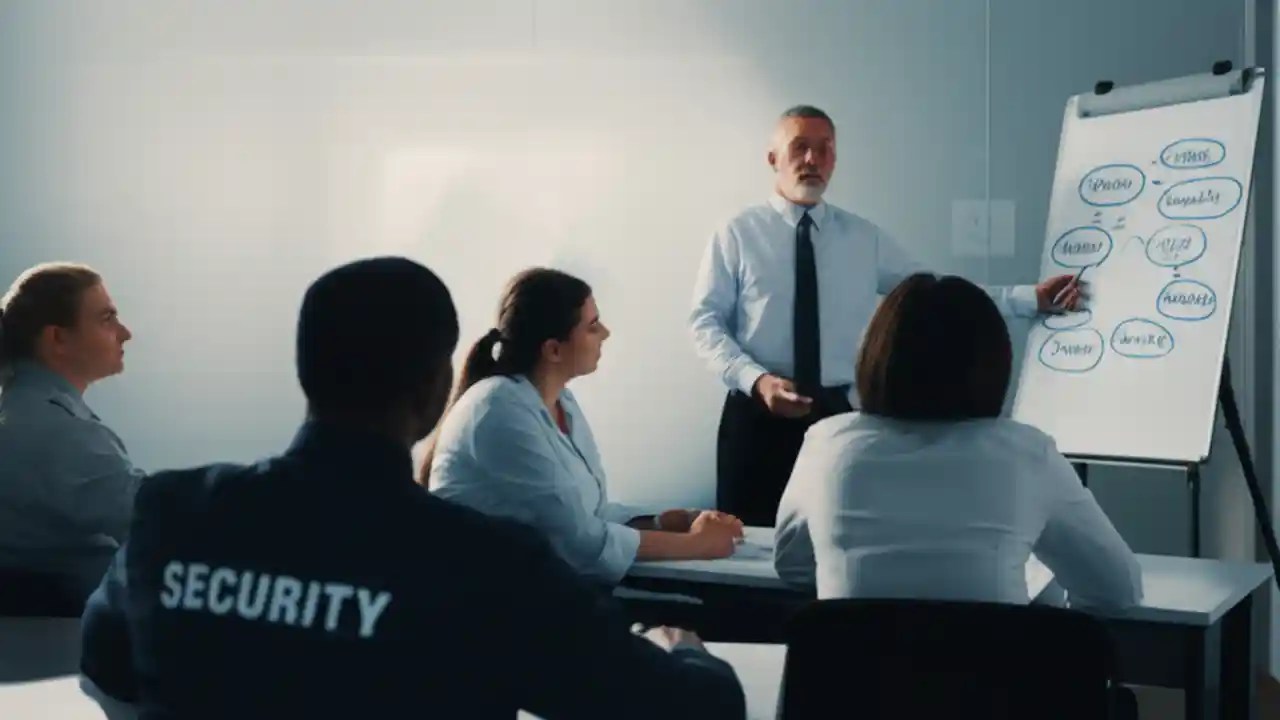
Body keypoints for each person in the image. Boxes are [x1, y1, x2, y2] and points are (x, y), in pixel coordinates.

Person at [79, 257, 746, 719]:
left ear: (305, 371)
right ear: (436, 392)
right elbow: (693, 711)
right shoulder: (490, 569)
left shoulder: (173, 516)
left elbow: (104, 660)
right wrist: (686, 652)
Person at [689, 105, 1085, 526]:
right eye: (800, 147)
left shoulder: (861, 238)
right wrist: (758, 381)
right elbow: (704, 323)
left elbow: (935, 291)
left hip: (838, 419)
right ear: (773, 158)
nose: (812, 160)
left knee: (834, 540)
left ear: (834, 161)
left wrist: (1028, 299)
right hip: (756, 417)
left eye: (824, 150)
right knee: (743, 545)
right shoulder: (736, 233)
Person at [773, 272, 1142, 610]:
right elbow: (1117, 588)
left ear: (875, 355)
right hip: (992, 680)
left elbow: (792, 566)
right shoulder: (1027, 454)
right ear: (993, 364)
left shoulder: (827, 445)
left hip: (853, 681)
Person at [424, 267, 744, 587]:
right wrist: (699, 545)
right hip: (484, 602)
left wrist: (665, 521)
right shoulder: (498, 410)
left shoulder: (561, 401)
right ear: (553, 349)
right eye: (592, 326)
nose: (605, 333)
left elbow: (589, 514)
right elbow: (579, 545)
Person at [0, 262, 143, 609]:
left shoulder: (28, 413)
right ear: (58, 338)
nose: (125, 333)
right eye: (106, 319)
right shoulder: (48, 428)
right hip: (68, 637)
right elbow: (148, 513)